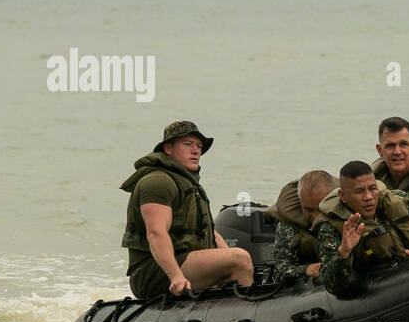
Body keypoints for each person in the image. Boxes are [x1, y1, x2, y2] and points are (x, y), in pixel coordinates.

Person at [121, 121, 253, 298]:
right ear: (168, 148)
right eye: (188, 144)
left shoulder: (188, 183)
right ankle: (242, 309)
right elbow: (156, 233)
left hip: (185, 261)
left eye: (199, 146)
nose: (196, 151)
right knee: (240, 259)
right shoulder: (157, 182)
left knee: (239, 259)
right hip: (152, 272)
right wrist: (176, 276)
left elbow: (210, 233)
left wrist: (226, 256)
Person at [316, 160, 409, 296]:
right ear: (343, 196)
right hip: (378, 292)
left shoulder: (401, 200)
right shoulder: (331, 227)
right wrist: (344, 253)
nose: (368, 197)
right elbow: (333, 286)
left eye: (372, 188)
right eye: (359, 191)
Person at [267, 170, 336, 281]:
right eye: (308, 209)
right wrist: (306, 269)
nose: (315, 216)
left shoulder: (345, 214)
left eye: (320, 208)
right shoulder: (288, 225)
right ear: (300, 202)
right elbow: (282, 270)